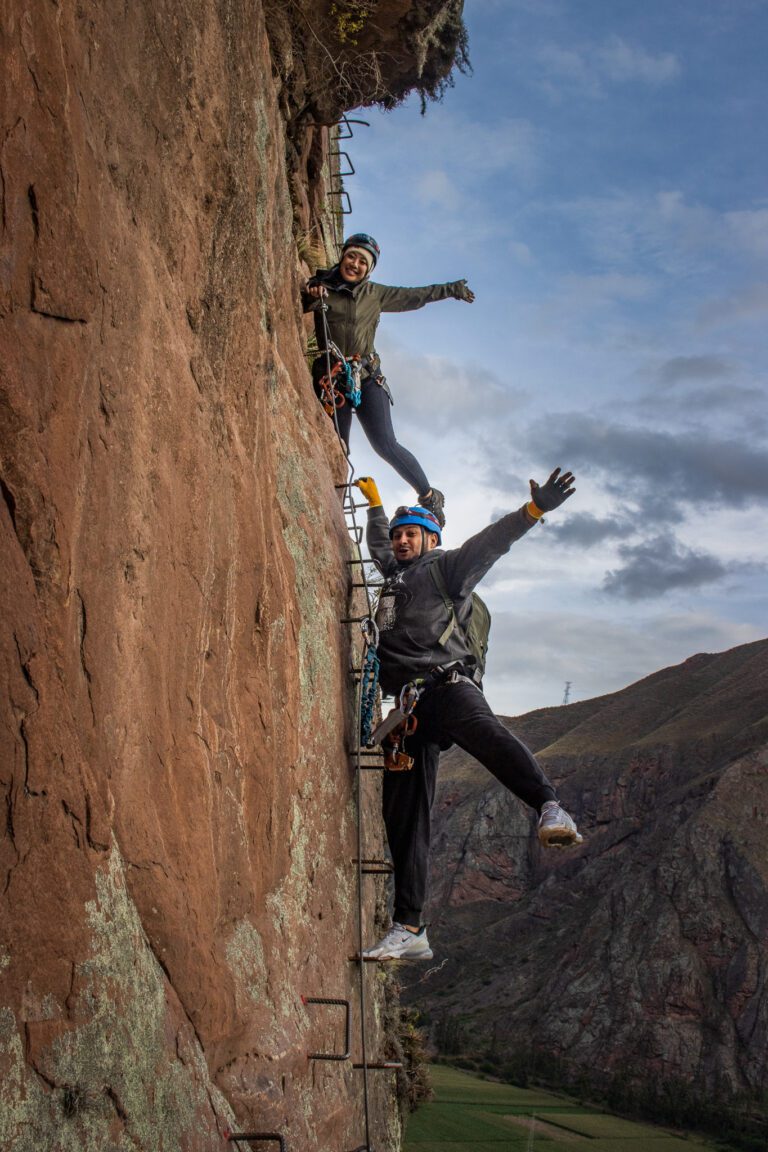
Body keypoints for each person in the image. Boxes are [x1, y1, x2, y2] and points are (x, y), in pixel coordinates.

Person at [355, 467, 584, 961]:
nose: (400, 541)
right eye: (398, 536)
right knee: (404, 815)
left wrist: (534, 510)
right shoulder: (394, 578)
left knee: (486, 734)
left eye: (410, 534)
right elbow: (376, 544)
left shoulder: (446, 570)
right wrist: (376, 508)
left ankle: (548, 805)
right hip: (411, 712)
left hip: (448, 686)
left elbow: (491, 542)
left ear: (431, 537)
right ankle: (411, 927)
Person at [302, 233, 475, 527]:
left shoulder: (376, 294)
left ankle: (430, 495)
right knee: (337, 448)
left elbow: (414, 296)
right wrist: (312, 293)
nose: (355, 264)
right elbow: (303, 300)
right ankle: (332, 518)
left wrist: (451, 289)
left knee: (385, 444)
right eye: (351, 257)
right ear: (342, 256)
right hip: (332, 380)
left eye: (362, 262)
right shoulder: (323, 285)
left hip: (367, 377)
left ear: (369, 270)